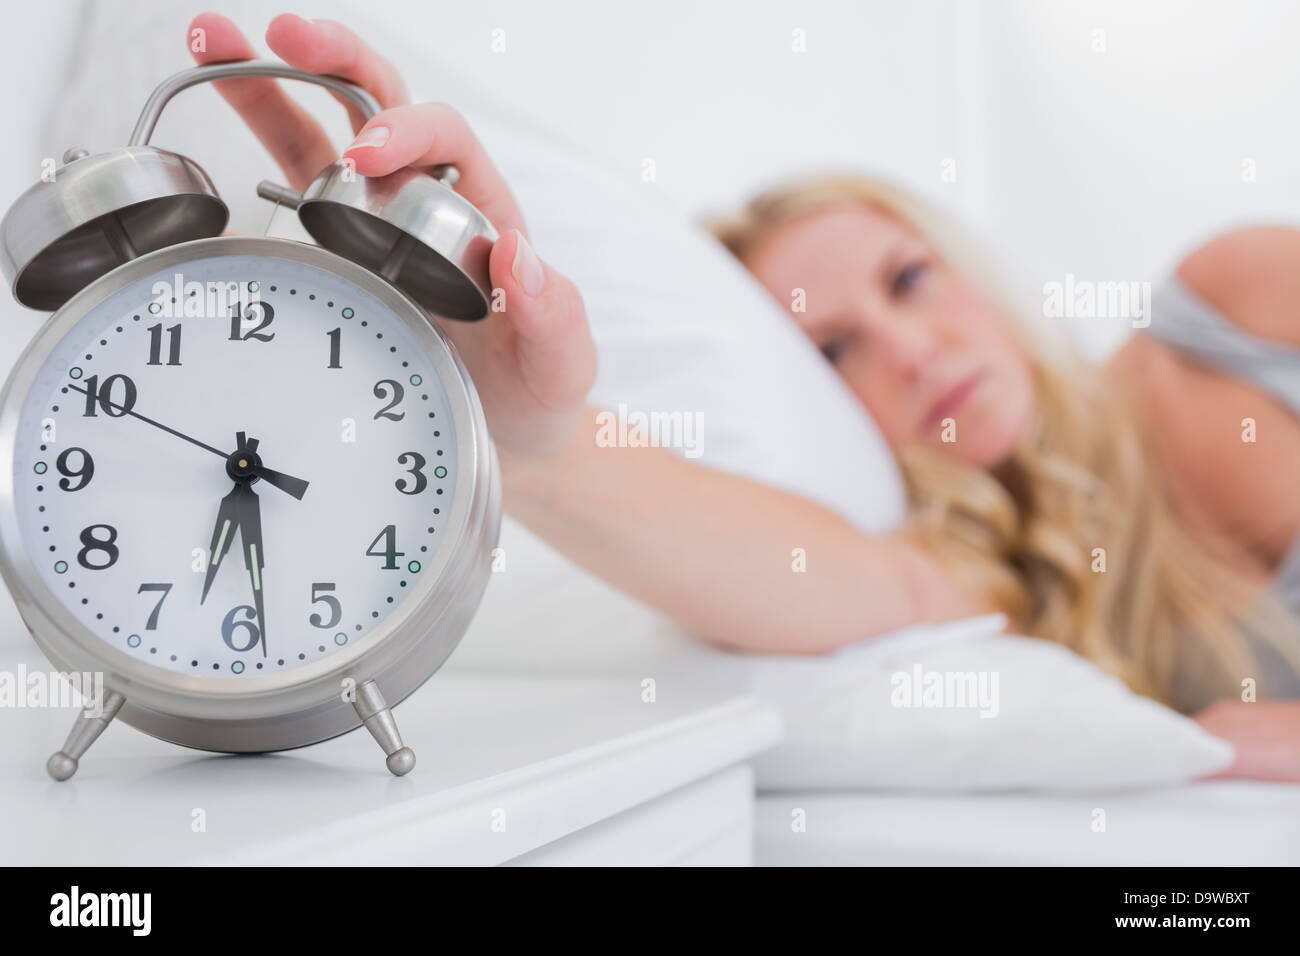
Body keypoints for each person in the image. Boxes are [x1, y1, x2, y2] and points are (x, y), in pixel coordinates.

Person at [189, 12, 1300, 780]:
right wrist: (526, 442)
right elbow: (827, 577)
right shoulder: (968, 569)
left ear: (960, 258)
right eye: (834, 352)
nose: (910, 351)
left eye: (909, 279)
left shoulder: (1229, 313)